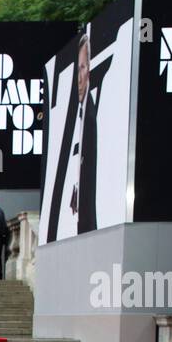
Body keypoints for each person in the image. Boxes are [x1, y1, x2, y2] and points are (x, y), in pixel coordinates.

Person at [68, 33, 97, 235]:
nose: (79, 78)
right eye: (77, 70)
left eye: (83, 68)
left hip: (88, 221)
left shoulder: (91, 115)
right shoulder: (80, 112)